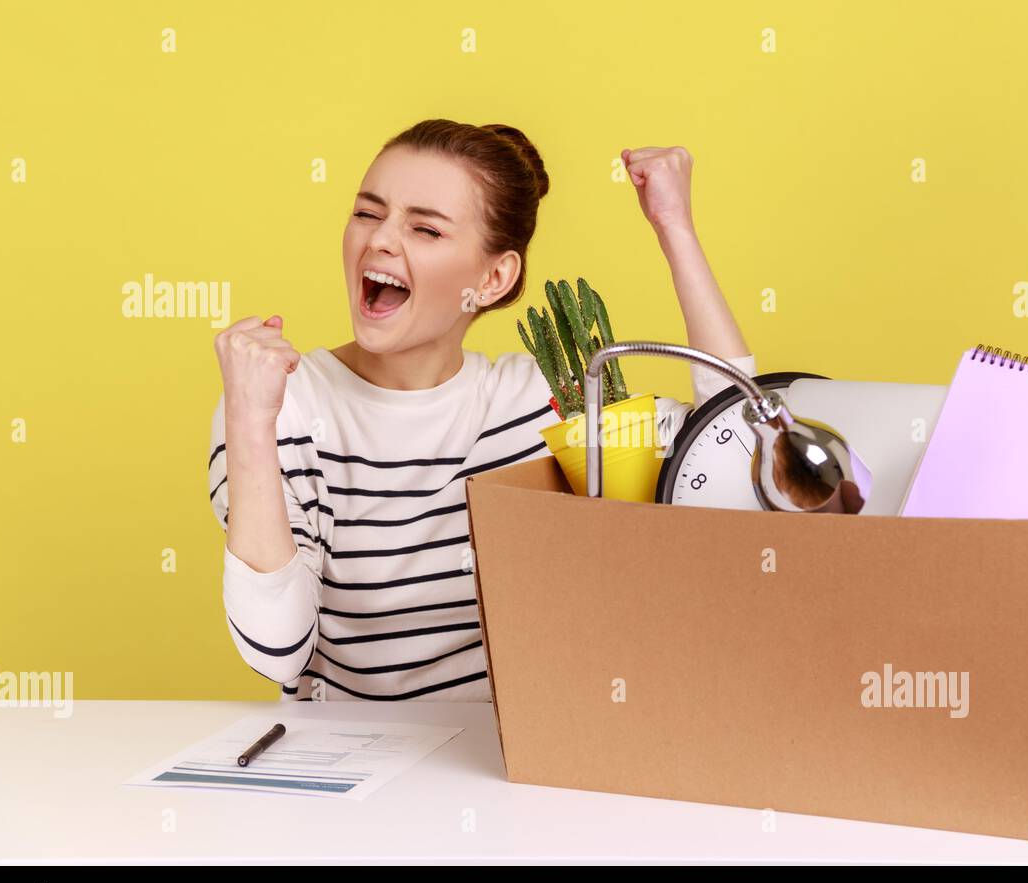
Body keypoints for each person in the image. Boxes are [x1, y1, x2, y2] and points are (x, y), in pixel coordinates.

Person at [208, 119, 755, 701]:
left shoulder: (543, 403)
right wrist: (247, 419)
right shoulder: (278, 403)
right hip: (352, 767)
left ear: (492, 278)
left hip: (511, 768)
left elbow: (738, 458)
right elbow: (276, 649)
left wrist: (675, 228)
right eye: (368, 213)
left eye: (425, 229)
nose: (380, 240)